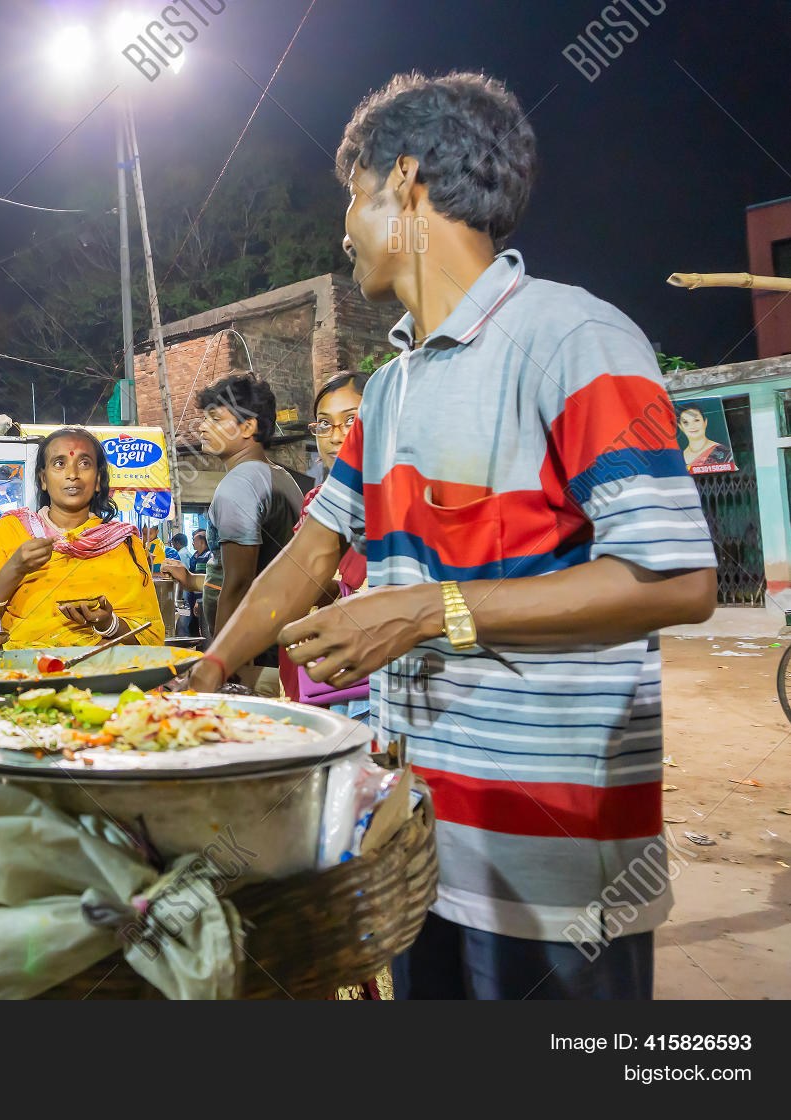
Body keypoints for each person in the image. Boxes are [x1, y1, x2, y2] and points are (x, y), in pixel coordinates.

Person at [188, 71, 717, 999]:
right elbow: (309, 553)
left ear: (406, 180)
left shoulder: (572, 338)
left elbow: (675, 581)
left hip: (553, 875)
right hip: (417, 853)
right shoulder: (389, 388)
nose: (344, 226)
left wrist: (427, 612)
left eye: (351, 197)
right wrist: (203, 676)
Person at [0, 427, 164, 648]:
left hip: (108, 676)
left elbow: (150, 638)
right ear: (43, 479)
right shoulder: (12, 529)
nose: (72, 474)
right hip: (27, 674)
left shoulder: (124, 542)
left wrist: (108, 624)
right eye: (59, 463)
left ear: (99, 479)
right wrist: (14, 569)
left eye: (84, 464)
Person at [195, 372, 304, 694]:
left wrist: (223, 664)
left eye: (215, 419)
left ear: (248, 427)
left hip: (252, 665)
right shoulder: (278, 475)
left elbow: (239, 583)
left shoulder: (239, 484)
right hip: (277, 653)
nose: (202, 427)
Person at [278, 372, 371, 719]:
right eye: (324, 424)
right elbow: (315, 585)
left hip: (376, 672)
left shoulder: (403, 498)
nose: (335, 436)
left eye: (351, 420)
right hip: (318, 664)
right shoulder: (315, 501)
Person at [676, 404, 734, 472]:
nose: (692, 426)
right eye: (685, 422)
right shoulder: (679, 459)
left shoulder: (725, 453)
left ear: (705, 422)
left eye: (696, 420)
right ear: (680, 427)